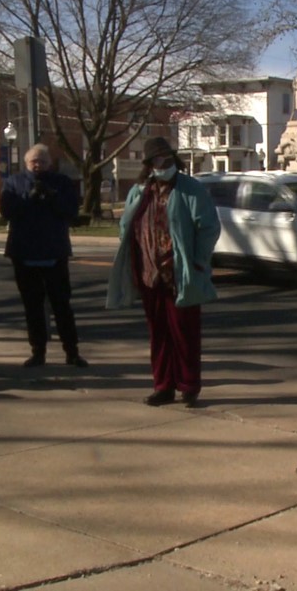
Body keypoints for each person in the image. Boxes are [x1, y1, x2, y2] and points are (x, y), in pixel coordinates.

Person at [106, 137, 219, 408]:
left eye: (167, 160)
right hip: (149, 273)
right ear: (148, 164)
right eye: (157, 161)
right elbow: (126, 225)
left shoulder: (190, 189)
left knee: (185, 333)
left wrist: (198, 260)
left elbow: (209, 228)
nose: (163, 165)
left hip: (180, 274)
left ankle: (189, 387)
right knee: (158, 333)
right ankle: (163, 386)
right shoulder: (139, 191)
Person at [0, 144, 88, 368]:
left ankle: (72, 351)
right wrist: (28, 198)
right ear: (26, 163)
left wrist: (52, 198)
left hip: (54, 253)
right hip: (24, 254)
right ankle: (38, 351)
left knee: (62, 305)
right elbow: (6, 211)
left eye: (43, 162)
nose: (38, 165)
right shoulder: (14, 183)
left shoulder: (61, 182)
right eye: (34, 162)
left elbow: (71, 211)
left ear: (50, 163)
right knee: (33, 307)